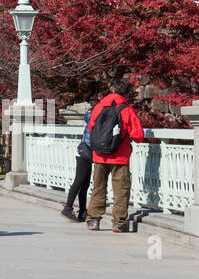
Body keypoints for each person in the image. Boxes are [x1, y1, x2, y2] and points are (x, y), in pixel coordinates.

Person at [85, 79, 147, 232]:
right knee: (121, 190)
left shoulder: (99, 107)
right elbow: (138, 135)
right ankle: (118, 223)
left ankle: (94, 220)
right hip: (120, 156)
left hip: (99, 155)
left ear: (112, 89)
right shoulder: (126, 110)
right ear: (126, 92)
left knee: (98, 188)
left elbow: (92, 128)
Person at [62, 104, 95, 222]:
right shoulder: (94, 120)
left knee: (84, 184)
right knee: (79, 181)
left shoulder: (91, 117)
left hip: (84, 153)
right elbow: (89, 139)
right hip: (84, 153)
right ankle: (68, 208)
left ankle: (82, 211)